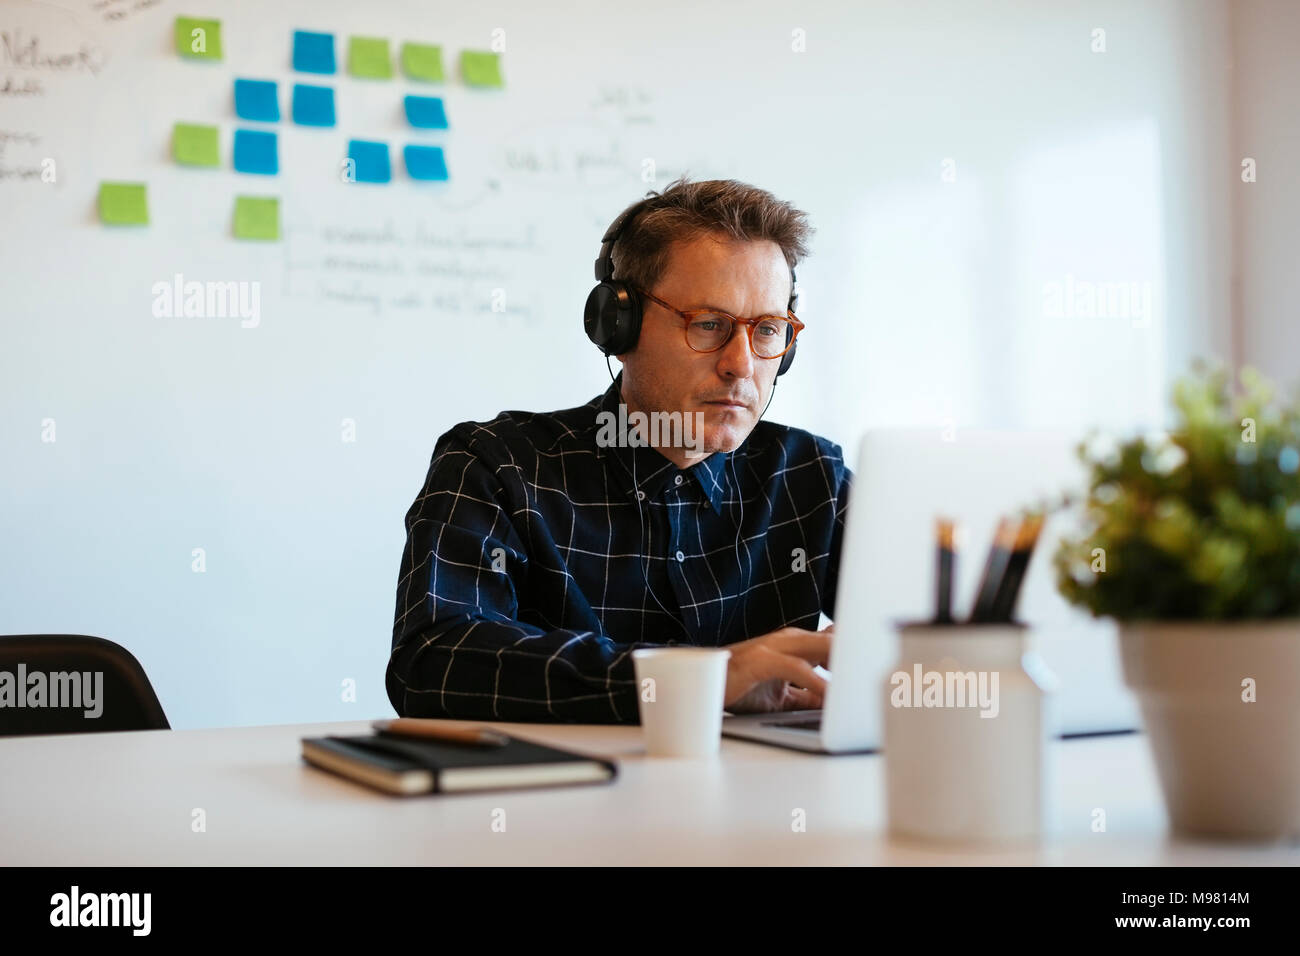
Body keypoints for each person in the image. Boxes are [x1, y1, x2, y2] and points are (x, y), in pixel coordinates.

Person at [387, 177, 853, 722]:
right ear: (618, 325)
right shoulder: (495, 465)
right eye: (708, 325)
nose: (741, 365)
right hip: (564, 803)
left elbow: (932, 647)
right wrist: (700, 682)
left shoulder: (815, 475)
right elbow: (433, 662)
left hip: (773, 801)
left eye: (768, 329)